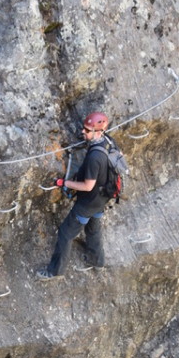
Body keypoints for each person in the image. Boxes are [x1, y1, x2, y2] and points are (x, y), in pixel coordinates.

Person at [37, 111, 116, 279]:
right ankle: (97, 261)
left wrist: (63, 183)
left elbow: (87, 186)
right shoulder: (108, 142)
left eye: (87, 131)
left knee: (65, 234)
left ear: (98, 132)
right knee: (94, 229)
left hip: (88, 202)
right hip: (103, 197)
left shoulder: (95, 157)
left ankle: (54, 272)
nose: (83, 132)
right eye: (84, 129)